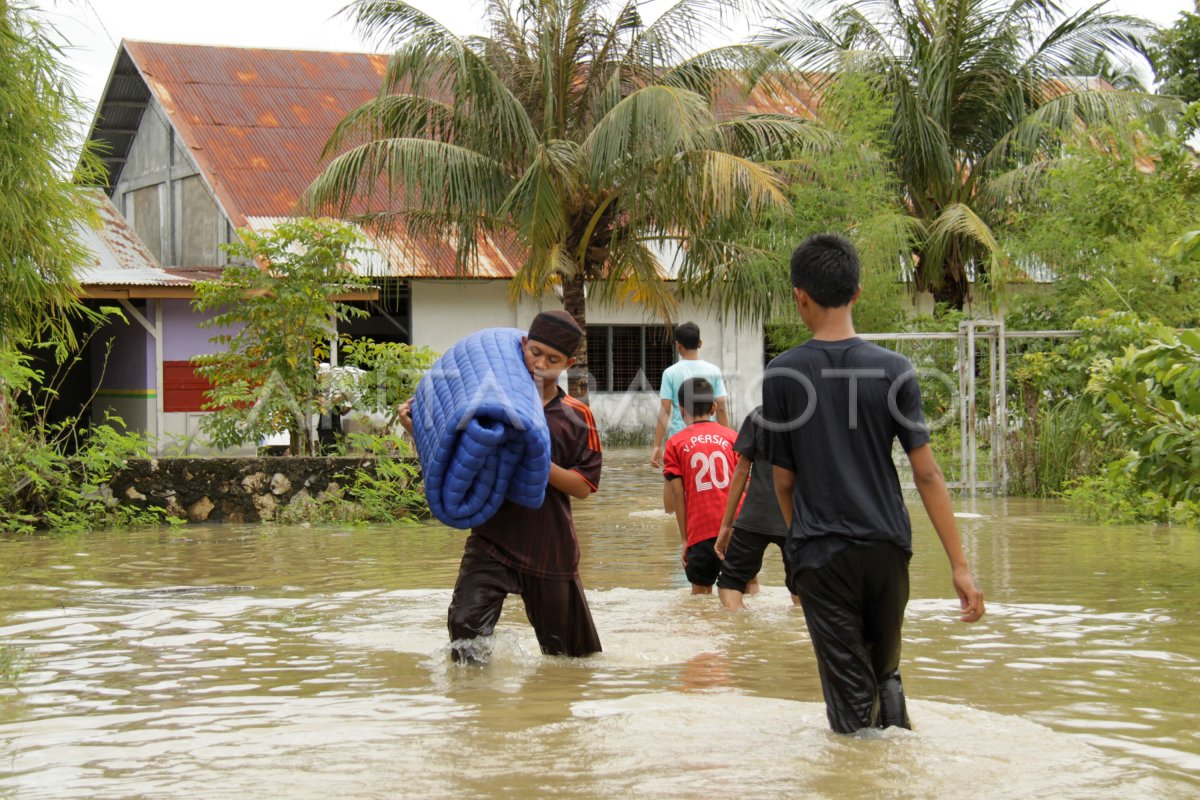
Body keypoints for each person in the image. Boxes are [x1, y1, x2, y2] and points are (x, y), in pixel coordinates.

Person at [762, 233, 985, 734]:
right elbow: (927, 474)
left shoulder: (782, 374)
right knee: (884, 673)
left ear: (800, 296)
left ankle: (861, 770)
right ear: (857, 292)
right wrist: (960, 566)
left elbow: (783, 482)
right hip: (887, 549)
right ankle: (900, 761)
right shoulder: (895, 369)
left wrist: (802, 548)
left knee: (850, 705)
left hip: (823, 553)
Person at [397, 310, 603, 662]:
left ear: (568, 364)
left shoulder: (576, 415)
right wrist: (417, 430)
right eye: (535, 352)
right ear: (522, 345)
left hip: (550, 547)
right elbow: (458, 459)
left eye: (553, 360)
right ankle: (477, 697)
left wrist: (533, 457)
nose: (540, 364)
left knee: (569, 659)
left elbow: (584, 486)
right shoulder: (487, 404)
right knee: (464, 631)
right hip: (491, 539)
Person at [713, 406, 796, 611]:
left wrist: (726, 525)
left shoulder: (759, 416)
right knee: (803, 588)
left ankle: (740, 626)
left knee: (730, 583)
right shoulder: (817, 417)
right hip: (798, 520)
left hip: (755, 516)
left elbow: (741, 470)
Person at [662, 377, 740, 595]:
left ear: (681, 409)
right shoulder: (733, 437)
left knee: (700, 595)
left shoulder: (675, 443)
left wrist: (685, 539)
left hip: (700, 531)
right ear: (714, 408)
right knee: (748, 585)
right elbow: (745, 484)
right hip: (736, 529)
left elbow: (678, 495)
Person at [650, 322, 729, 514]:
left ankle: (670, 521)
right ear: (700, 343)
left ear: (678, 345)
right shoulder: (713, 371)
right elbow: (721, 407)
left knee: (671, 480)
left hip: (679, 438)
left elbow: (664, 411)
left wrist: (656, 445)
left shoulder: (670, 373)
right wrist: (726, 437)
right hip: (709, 439)